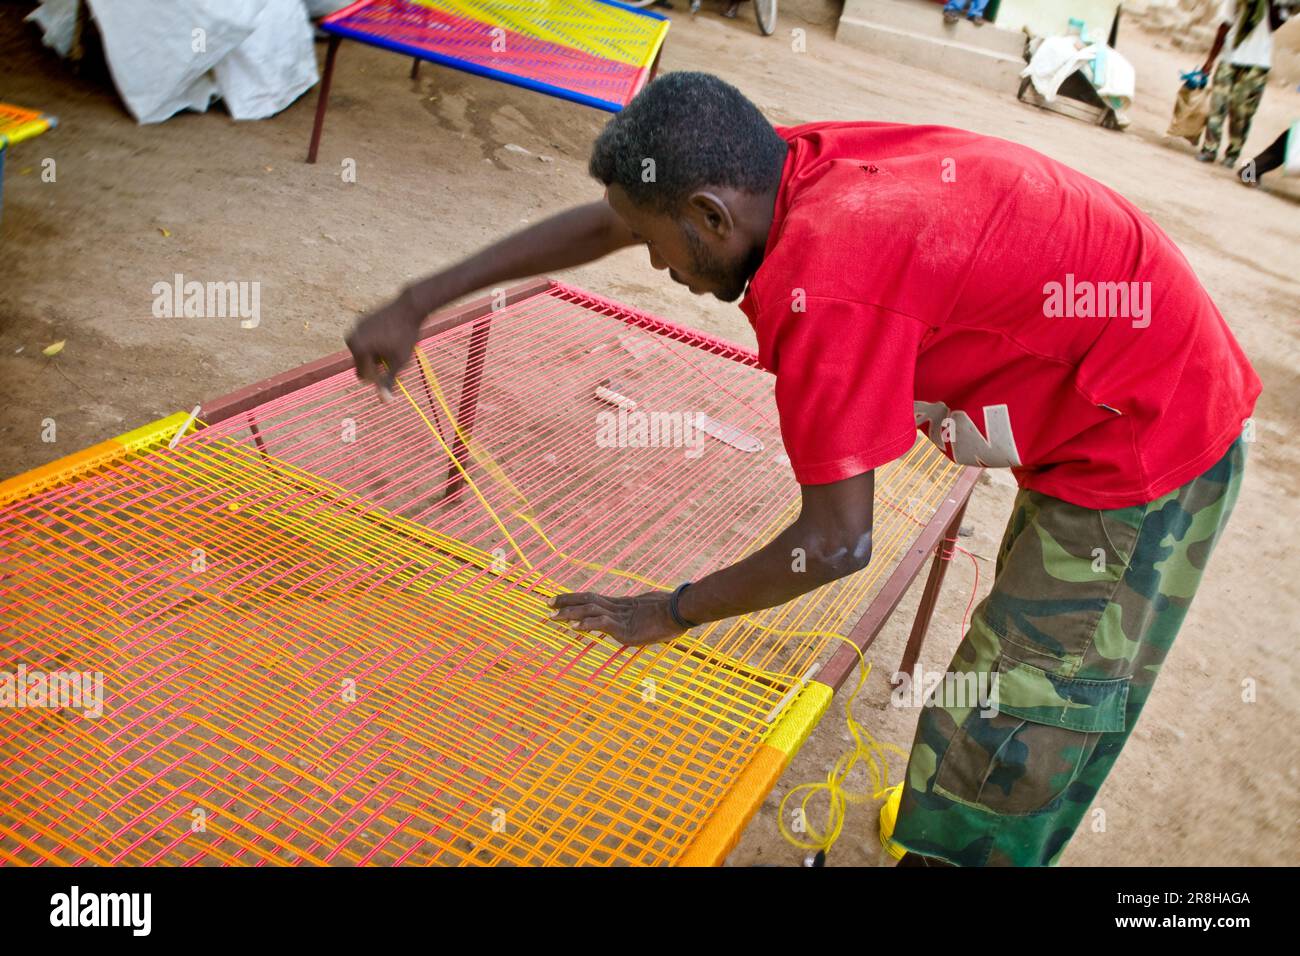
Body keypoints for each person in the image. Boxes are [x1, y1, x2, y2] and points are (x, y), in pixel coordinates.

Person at [345, 72, 1260, 866]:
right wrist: (421, 299)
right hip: (1112, 373)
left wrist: (666, 612)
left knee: (1021, 709)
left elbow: (835, 544)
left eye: (661, 249)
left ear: (710, 216)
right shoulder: (772, 168)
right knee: (1021, 669)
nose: (659, 266)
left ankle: (967, 850)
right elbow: (614, 220)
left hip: (1145, 432)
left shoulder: (827, 278)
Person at [1200, 0, 1290, 166]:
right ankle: (1209, 149)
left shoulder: (1279, 3)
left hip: (1257, 64)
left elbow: (1275, 24)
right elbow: (1225, 24)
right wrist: (1210, 60)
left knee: (1241, 113)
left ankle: (1233, 153)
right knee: (1217, 104)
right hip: (1230, 57)